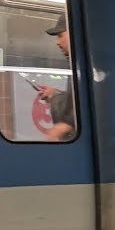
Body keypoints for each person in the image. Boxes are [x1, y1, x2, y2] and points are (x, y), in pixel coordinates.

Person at [35, 13, 76, 142]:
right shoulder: (76, 65)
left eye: (60, 35)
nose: (57, 42)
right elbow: (77, 101)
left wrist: (67, 124)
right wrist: (54, 95)